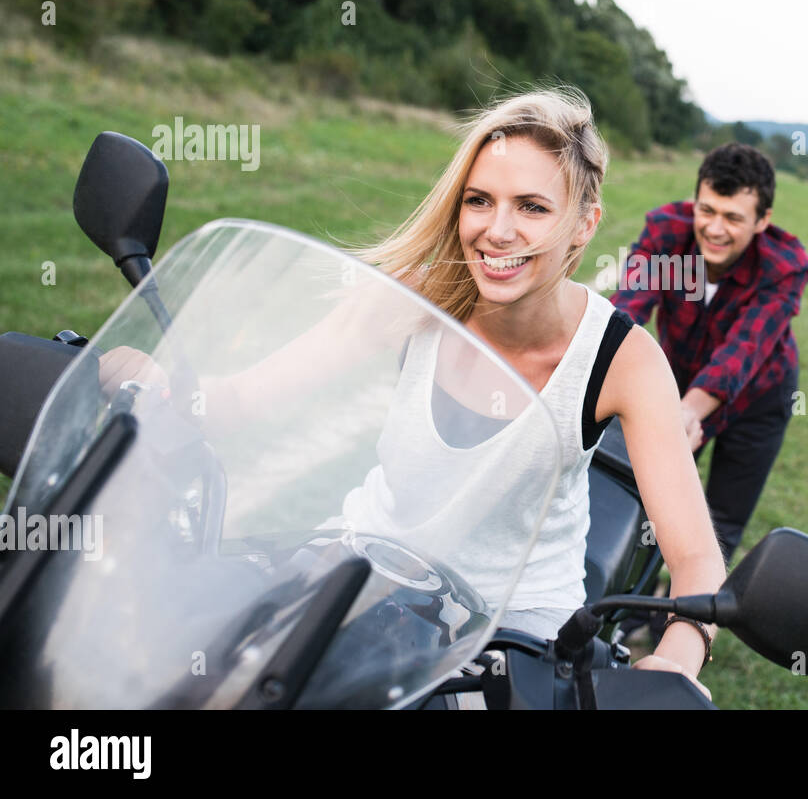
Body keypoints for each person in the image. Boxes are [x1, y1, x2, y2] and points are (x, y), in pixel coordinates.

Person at [99, 88, 726, 695]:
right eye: (479, 200)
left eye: (532, 208)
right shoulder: (419, 296)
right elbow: (237, 401)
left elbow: (696, 559)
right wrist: (159, 385)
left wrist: (676, 657)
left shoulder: (623, 358)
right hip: (363, 565)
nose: (497, 230)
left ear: (584, 225)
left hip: (514, 631)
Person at [611, 143, 808, 568]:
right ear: (695, 201)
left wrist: (685, 415)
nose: (715, 229)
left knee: (719, 523)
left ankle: (681, 618)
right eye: (707, 211)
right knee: (647, 501)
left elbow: (742, 352)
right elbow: (628, 306)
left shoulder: (785, 268)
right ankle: (625, 616)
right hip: (678, 373)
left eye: (733, 217)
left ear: (762, 221)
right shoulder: (666, 232)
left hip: (759, 397)